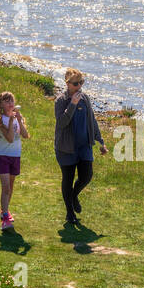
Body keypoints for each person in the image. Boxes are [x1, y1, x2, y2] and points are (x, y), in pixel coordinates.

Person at [53, 68, 105, 226]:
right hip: (66, 147)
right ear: (67, 84)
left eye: (81, 82)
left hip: (84, 146)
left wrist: (100, 141)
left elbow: (92, 120)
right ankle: (70, 213)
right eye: (76, 83)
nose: (79, 86)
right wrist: (73, 105)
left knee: (86, 176)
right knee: (67, 179)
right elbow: (61, 123)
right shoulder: (61, 101)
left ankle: (74, 196)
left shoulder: (85, 98)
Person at [0, 91, 29, 230]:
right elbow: (10, 139)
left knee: (10, 188)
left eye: (12, 100)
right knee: (5, 187)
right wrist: (12, 120)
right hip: (2, 156)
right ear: (1, 104)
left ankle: (4, 210)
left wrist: (19, 120)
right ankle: (5, 218)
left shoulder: (17, 117)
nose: (11, 103)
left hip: (15, 155)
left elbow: (25, 135)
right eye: (7, 101)